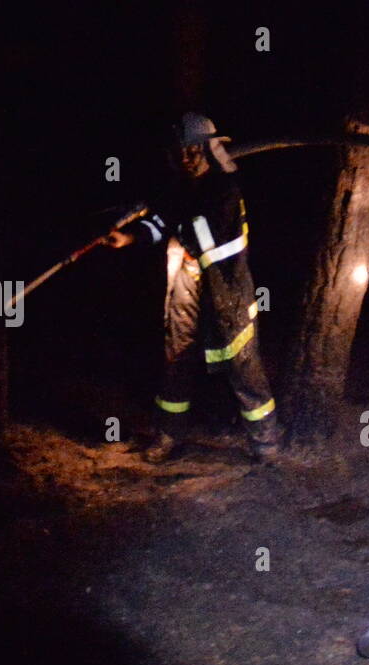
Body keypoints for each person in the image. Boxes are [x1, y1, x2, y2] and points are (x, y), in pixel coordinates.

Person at [106, 112, 282, 462]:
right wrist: (130, 236)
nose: (185, 158)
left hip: (227, 291)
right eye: (180, 152)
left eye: (192, 151)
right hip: (186, 285)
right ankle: (168, 435)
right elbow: (161, 222)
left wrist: (175, 213)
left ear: (208, 149)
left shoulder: (225, 189)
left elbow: (203, 235)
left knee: (242, 363)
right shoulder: (179, 189)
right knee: (177, 359)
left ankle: (267, 440)